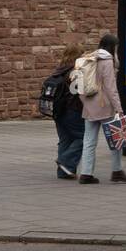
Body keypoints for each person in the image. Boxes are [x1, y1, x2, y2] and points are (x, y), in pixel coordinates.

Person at [77, 33, 126, 185]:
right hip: (105, 106)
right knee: (116, 139)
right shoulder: (107, 61)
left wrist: (85, 102)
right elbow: (110, 87)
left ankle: (86, 173)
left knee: (89, 141)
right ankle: (117, 171)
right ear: (112, 47)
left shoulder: (90, 58)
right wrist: (119, 108)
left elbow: (79, 85)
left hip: (89, 106)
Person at [51, 43, 86, 179]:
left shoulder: (59, 70)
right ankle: (66, 162)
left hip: (58, 111)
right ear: (77, 56)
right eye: (82, 54)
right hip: (73, 110)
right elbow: (77, 92)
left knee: (65, 140)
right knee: (82, 138)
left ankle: (63, 172)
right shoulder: (76, 71)